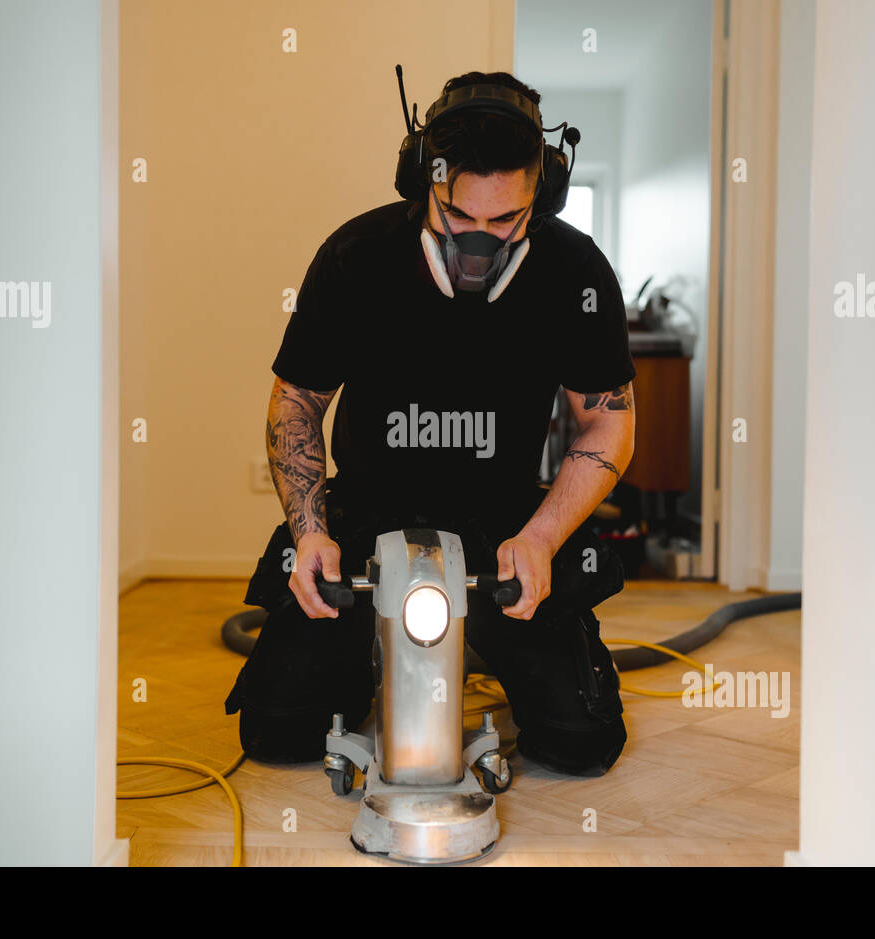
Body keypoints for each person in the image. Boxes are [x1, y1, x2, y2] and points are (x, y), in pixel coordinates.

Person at [225, 70, 637, 777]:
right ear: (423, 182)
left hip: (506, 521)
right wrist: (310, 531)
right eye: (459, 219)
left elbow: (608, 424)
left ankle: (478, 646)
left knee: (580, 745)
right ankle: (370, 652)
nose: (480, 246)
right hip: (367, 509)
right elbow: (297, 402)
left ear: (543, 193)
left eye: (506, 222)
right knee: (278, 733)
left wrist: (542, 539)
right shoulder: (355, 258)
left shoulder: (576, 273)